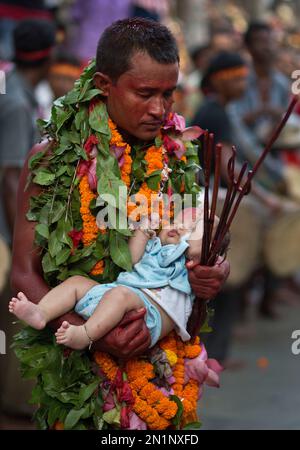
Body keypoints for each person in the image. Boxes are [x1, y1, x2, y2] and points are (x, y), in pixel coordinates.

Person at [11, 18, 230, 362]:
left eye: (168, 94)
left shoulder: (177, 154)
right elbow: (23, 273)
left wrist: (215, 270)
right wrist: (93, 334)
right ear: (104, 84)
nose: (159, 109)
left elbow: (201, 233)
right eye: (144, 94)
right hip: (75, 365)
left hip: (161, 361)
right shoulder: (51, 161)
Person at [10, 208, 209, 350]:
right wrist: (142, 233)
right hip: (117, 295)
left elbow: (206, 237)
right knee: (77, 283)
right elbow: (130, 260)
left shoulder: (187, 260)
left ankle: (84, 335)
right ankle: (42, 312)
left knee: (120, 295)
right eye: (175, 222)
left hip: (149, 313)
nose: (179, 227)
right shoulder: (155, 246)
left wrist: (201, 220)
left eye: (190, 229)